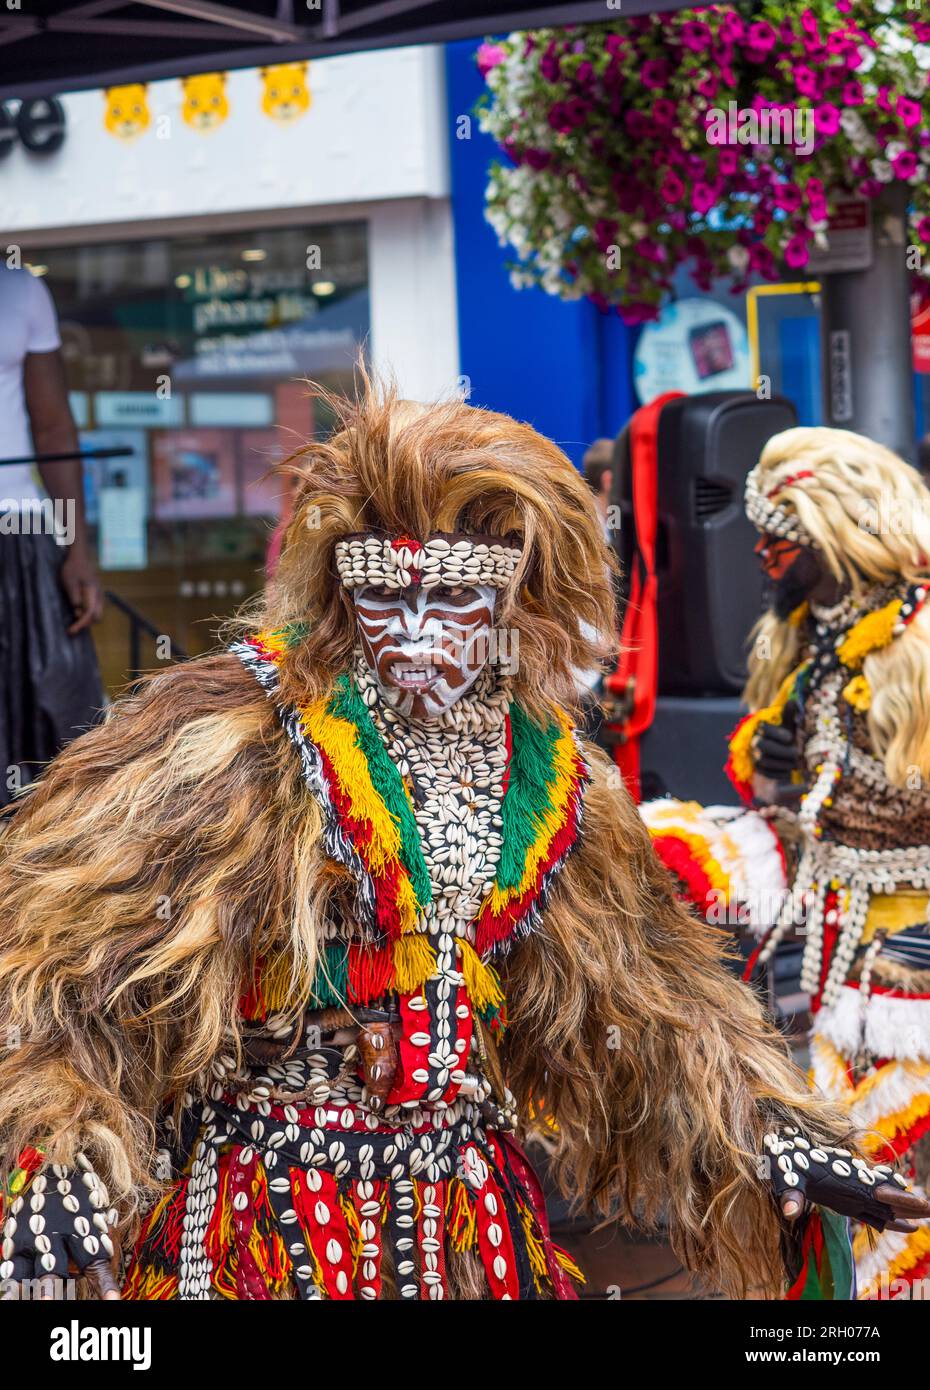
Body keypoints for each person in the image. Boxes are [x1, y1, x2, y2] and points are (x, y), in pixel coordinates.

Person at [0, 382, 925, 1304]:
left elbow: (648, 1002)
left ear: (521, 597)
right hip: (262, 1215)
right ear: (336, 589)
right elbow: (55, 970)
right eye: (383, 593)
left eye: (451, 596)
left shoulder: (558, 776)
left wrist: (763, 1124)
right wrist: (55, 1139)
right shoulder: (235, 735)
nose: (413, 635)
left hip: (468, 1212)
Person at [645, 426, 930, 1298]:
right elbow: (802, 806)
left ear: (835, 530)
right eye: (759, 532)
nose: (763, 551)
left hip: (909, 940)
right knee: (854, 1165)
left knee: (895, 1158)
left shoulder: (917, 639)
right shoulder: (805, 637)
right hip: (834, 912)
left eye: (783, 535)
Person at [0, 264, 104, 806]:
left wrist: (77, 551)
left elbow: (54, 426)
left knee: (54, 718)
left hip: (18, 528)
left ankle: (34, 877)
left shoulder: (20, 289)